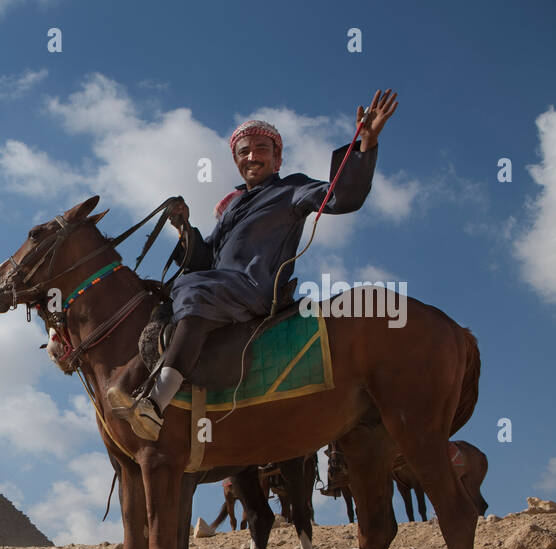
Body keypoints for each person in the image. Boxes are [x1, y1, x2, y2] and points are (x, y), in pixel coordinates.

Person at [108, 89, 399, 441]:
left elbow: (343, 197)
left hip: (256, 288)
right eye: (243, 151)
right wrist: (186, 228)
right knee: (169, 295)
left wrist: (365, 144)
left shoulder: (293, 188)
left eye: (261, 148)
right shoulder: (232, 207)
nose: (251, 156)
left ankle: (155, 405)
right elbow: (207, 259)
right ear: (236, 161)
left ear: (278, 159)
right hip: (220, 285)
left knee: (192, 288)